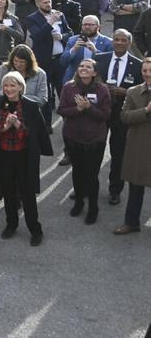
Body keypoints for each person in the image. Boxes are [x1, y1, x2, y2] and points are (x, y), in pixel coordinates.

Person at [0, 71, 51, 246]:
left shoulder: (30, 106)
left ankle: (35, 229)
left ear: (20, 87)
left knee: (27, 194)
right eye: (6, 86)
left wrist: (18, 125)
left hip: (23, 156)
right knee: (8, 191)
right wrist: (4, 128)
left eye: (13, 85)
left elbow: (35, 135)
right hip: (3, 155)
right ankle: (11, 224)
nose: (9, 89)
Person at [58, 57, 111, 225]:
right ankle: (79, 202)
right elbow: (62, 110)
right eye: (81, 66)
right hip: (73, 139)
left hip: (94, 140)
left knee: (91, 175)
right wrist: (77, 109)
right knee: (77, 172)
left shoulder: (102, 90)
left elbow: (105, 115)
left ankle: (93, 208)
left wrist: (89, 108)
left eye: (88, 67)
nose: (84, 68)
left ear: (94, 72)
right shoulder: (69, 87)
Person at [96, 29, 143, 206]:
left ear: (129, 43)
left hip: (122, 114)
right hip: (99, 111)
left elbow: (141, 90)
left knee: (118, 153)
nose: (120, 42)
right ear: (112, 41)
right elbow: (89, 80)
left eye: (124, 40)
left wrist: (126, 92)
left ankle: (115, 190)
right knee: (94, 151)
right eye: (116, 39)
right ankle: (86, 187)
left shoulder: (137, 65)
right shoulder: (99, 58)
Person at [113, 58, 151, 235]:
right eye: (145, 71)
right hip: (140, 147)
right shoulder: (133, 92)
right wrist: (145, 111)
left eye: (150, 70)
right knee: (135, 187)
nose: (148, 74)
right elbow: (125, 117)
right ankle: (131, 222)